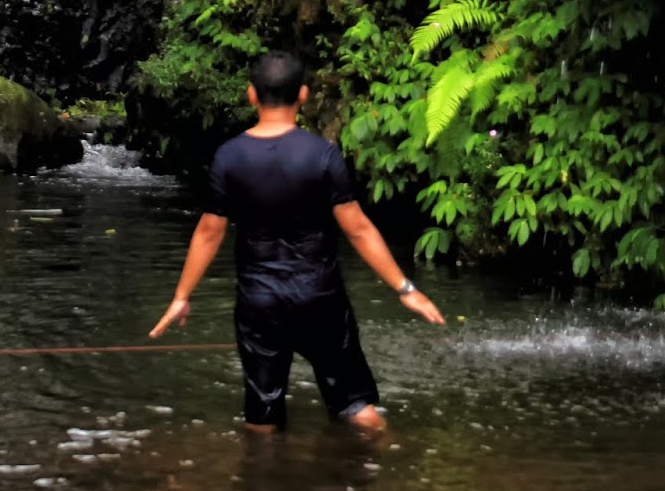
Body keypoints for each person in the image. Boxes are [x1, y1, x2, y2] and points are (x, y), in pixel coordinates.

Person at [149, 50, 445, 430]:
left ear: (251, 95)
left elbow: (210, 232)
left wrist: (181, 297)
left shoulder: (230, 157)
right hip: (320, 295)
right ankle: (382, 471)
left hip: (259, 299)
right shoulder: (322, 154)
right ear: (303, 95)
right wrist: (404, 288)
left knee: (262, 416)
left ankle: (260, 483)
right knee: (357, 407)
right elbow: (357, 229)